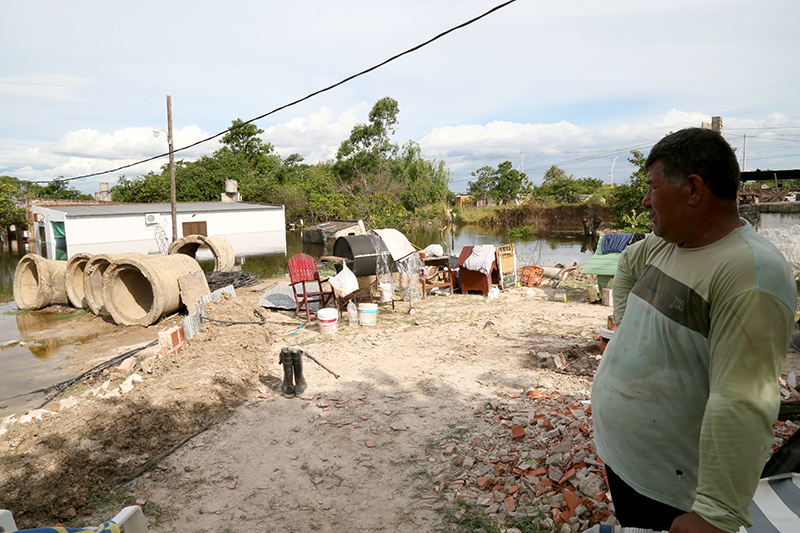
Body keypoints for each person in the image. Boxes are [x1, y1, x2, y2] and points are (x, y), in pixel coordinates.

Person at [592, 128, 797, 533]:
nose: (646, 200)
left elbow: (743, 400)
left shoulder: (748, 273)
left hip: (671, 489)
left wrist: (716, 513)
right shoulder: (668, 243)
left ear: (692, 189)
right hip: (625, 459)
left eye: (652, 186)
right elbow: (627, 267)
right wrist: (626, 326)